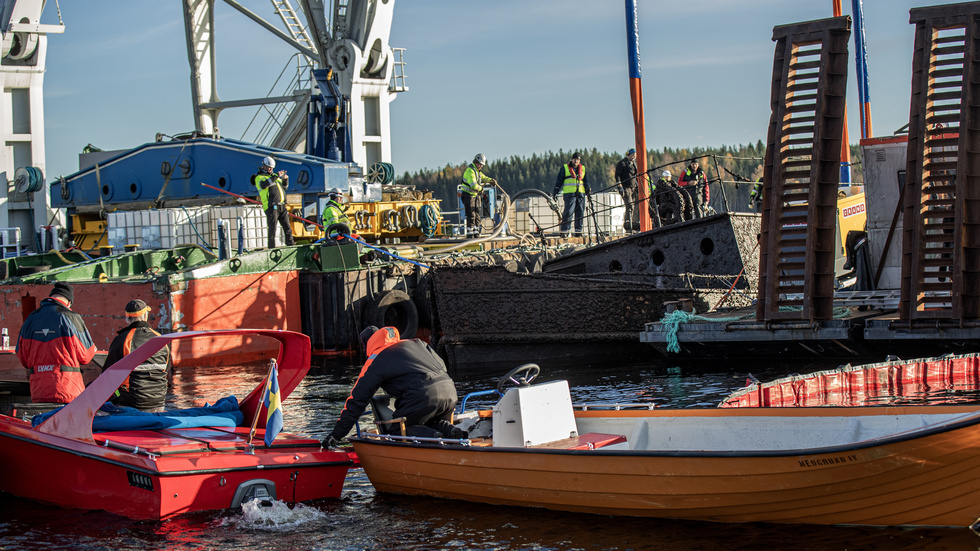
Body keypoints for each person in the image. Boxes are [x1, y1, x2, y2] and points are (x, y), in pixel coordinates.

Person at [324, 325, 464, 446]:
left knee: (397, 431)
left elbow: (357, 401)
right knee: (423, 422)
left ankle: (433, 437)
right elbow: (442, 365)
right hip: (450, 391)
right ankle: (450, 431)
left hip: (422, 395)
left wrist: (336, 435)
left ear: (366, 344)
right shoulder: (417, 343)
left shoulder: (376, 359)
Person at [16, 282, 97, 403]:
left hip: (38, 391)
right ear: (69, 302)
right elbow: (86, 356)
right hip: (67, 390)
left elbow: (22, 357)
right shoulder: (71, 317)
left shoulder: (31, 319)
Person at [103, 299, 170, 412]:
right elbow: (166, 370)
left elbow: (107, 374)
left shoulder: (122, 339)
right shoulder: (160, 339)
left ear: (127, 319)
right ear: (145, 316)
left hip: (132, 402)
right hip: (159, 401)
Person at [251, 155, 295, 249]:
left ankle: (291, 245)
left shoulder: (274, 177)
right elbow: (264, 185)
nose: (270, 169)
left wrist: (285, 180)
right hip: (271, 206)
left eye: (272, 168)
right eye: (269, 167)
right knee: (272, 229)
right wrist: (276, 176)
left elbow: (284, 188)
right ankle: (271, 248)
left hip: (281, 206)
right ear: (264, 166)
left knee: (287, 227)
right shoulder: (259, 177)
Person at [552, 152, 591, 237]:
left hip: (580, 193)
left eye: (578, 160)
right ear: (572, 159)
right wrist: (556, 190)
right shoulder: (565, 168)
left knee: (580, 212)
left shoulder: (583, 168)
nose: (576, 161)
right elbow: (559, 180)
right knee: (569, 212)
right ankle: (565, 231)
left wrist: (588, 189)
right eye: (575, 159)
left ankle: (578, 232)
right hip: (569, 194)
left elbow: (586, 181)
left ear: (579, 160)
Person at [460, 153, 496, 237]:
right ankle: (470, 233)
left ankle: (476, 232)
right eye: (480, 164)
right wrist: (481, 189)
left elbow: (483, 178)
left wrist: (490, 180)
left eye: (482, 165)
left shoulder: (477, 172)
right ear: (476, 162)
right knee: (471, 214)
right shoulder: (470, 171)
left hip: (474, 195)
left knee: (477, 214)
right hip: (468, 195)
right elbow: (473, 185)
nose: (481, 166)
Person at [615, 147, 639, 232]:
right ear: (628, 155)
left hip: (634, 188)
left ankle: (634, 224)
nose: (633, 157)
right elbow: (617, 175)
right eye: (632, 155)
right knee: (630, 206)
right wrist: (620, 186)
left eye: (635, 155)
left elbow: (636, 176)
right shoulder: (622, 164)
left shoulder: (634, 165)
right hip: (626, 188)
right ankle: (628, 226)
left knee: (635, 206)